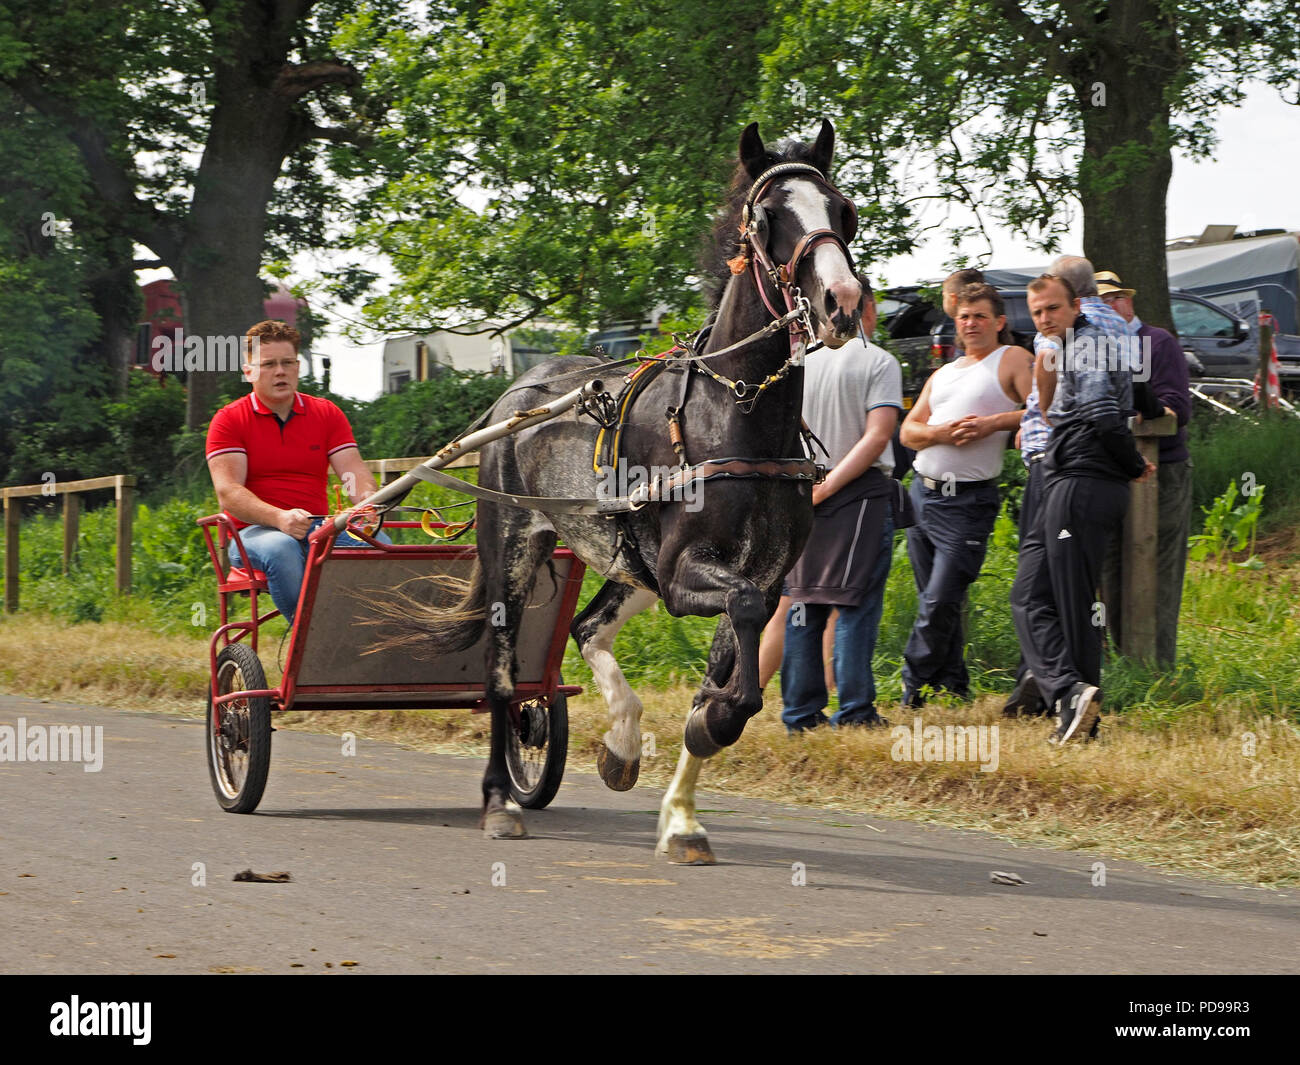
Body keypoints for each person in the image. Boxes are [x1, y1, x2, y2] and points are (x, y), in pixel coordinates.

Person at [1010, 274, 1155, 745]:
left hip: (1083, 479)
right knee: (1030, 595)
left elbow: (1101, 414)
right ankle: (1069, 693)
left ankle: (1078, 714)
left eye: (1052, 309)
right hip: (1065, 479)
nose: (1045, 319)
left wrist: (1133, 464)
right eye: (1037, 313)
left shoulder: (1090, 341)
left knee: (1073, 603)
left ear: (1076, 305)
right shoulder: (1070, 344)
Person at [899, 283, 1033, 707]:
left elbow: (1044, 408)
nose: (970, 323)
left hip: (968, 503)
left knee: (940, 599)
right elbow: (908, 431)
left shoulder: (1011, 359)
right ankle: (953, 684)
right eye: (963, 317)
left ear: (999, 322)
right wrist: (938, 433)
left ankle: (911, 684)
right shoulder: (944, 373)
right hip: (922, 496)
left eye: (979, 316)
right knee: (936, 600)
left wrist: (994, 424)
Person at [778, 288, 905, 732]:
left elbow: (788, 430)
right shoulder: (880, 362)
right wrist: (831, 484)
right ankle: (854, 712)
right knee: (855, 606)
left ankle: (799, 714)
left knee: (803, 604)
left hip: (804, 492)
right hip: (860, 494)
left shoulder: (801, 363)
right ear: (866, 308)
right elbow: (877, 437)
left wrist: (812, 483)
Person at [206, 320, 385, 624]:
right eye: (269, 364)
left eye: (287, 363)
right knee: (281, 548)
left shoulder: (326, 414)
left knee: (381, 546)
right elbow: (229, 494)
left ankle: (373, 631)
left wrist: (365, 504)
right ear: (248, 371)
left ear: (298, 367)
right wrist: (280, 518)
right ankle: (313, 637)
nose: (280, 371)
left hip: (318, 527)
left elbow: (352, 471)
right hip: (253, 533)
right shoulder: (229, 421)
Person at [1095, 269, 1193, 666]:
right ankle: (1117, 668)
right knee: (1107, 570)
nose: (1103, 311)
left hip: (1161, 472)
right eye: (1095, 305)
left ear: (1125, 303)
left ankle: (1156, 668)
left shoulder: (1156, 342)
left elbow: (1177, 410)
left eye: (1109, 301)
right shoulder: (1090, 348)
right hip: (1109, 473)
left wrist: (1127, 418)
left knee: (1158, 573)